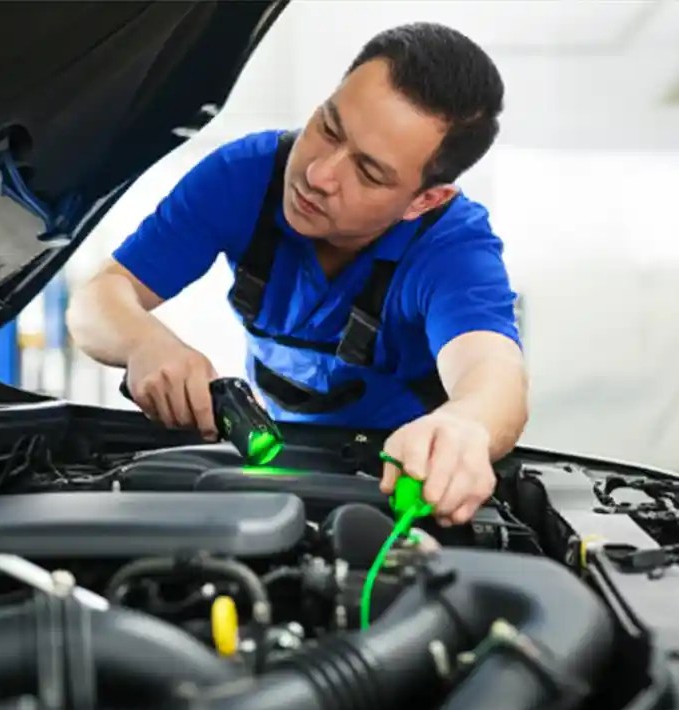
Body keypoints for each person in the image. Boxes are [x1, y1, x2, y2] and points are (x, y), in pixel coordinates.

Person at [67, 22, 528, 526]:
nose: (318, 175)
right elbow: (98, 299)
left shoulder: (453, 248)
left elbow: (493, 372)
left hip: (395, 493)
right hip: (268, 462)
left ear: (423, 200)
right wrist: (145, 345)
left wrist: (466, 425)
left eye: (369, 173)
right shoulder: (244, 177)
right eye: (328, 128)